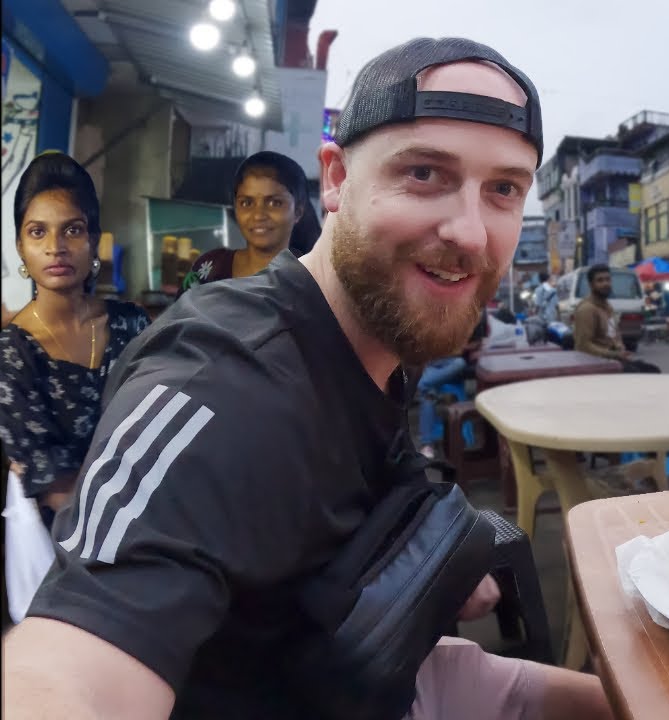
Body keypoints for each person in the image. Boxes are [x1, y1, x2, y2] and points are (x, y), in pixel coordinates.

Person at [2, 38, 614, 720]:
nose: (470, 232)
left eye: (503, 189)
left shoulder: (371, 341)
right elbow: (67, 670)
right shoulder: (225, 384)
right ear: (335, 178)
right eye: (423, 174)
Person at [0, 152, 150, 529]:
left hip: (151, 527)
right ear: (20, 245)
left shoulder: (132, 326)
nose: (56, 246)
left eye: (73, 229)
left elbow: (160, 432)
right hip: (64, 547)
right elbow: (54, 485)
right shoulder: (12, 353)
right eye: (38, 232)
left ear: (94, 240)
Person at [179, 150, 320, 295]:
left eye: (274, 203)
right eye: (246, 203)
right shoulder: (210, 269)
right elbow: (178, 315)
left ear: (298, 212)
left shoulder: (312, 282)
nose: (258, 215)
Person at [574, 264, 660, 373]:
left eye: (608, 279)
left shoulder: (607, 306)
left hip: (613, 359)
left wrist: (620, 348)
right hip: (597, 364)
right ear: (591, 285)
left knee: (652, 370)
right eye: (600, 280)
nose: (605, 283)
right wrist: (613, 354)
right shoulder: (586, 309)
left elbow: (615, 333)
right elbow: (583, 346)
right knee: (640, 374)